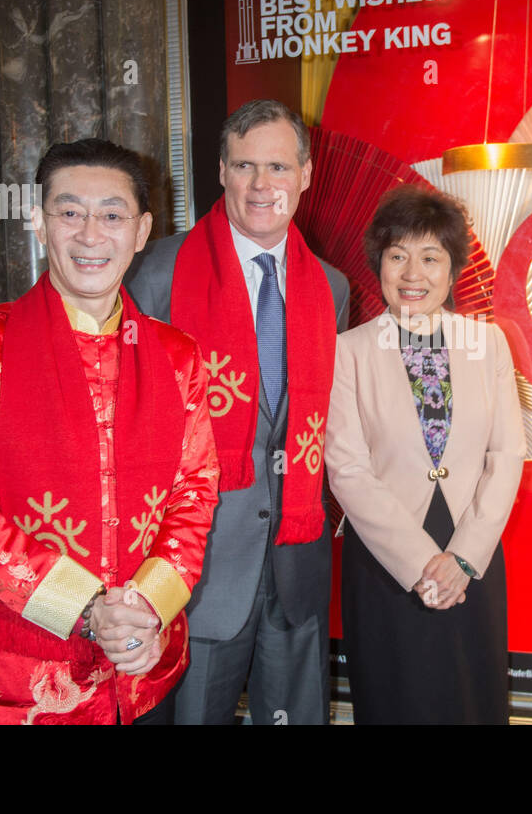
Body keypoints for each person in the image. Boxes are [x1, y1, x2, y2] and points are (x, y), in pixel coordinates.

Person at [0, 138, 220, 724]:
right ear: (38, 221)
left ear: (141, 231)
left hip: (142, 667)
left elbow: (194, 491)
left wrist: (147, 609)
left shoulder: (176, 354)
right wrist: (87, 610)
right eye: (69, 212)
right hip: (14, 676)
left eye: (112, 215)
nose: (90, 235)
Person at [125, 99, 349, 725]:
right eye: (244, 165)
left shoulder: (331, 288)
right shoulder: (156, 275)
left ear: (305, 175)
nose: (261, 185)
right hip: (197, 574)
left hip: (295, 562)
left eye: (278, 167)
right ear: (220, 171)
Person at [324, 184, 526, 724]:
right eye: (398, 256)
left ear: (453, 269)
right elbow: (346, 467)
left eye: (430, 257)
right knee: (397, 697)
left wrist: (461, 558)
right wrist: (421, 565)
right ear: (379, 264)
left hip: (471, 552)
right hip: (387, 557)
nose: (413, 273)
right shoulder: (349, 352)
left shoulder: (489, 345)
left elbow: (507, 453)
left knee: (470, 695)